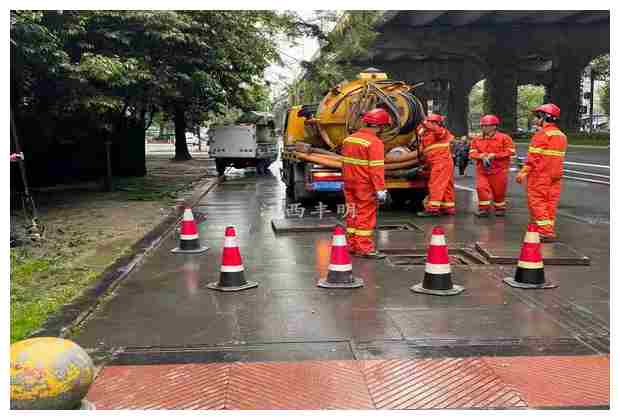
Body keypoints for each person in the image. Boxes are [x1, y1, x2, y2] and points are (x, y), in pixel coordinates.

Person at [341, 108, 390, 258]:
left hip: (349, 183)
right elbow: (376, 169)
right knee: (365, 216)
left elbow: (345, 163)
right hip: (364, 186)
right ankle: (364, 248)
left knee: (352, 212)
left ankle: (352, 244)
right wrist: (381, 189)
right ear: (380, 126)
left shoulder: (349, 139)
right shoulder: (374, 143)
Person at [516, 103, 567, 242]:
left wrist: (523, 172)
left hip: (540, 175)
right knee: (550, 203)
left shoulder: (542, 134)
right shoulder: (561, 135)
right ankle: (547, 228)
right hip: (555, 175)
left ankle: (545, 232)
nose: (535, 119)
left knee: (537, 202)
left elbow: (533, 158)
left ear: (545, 118)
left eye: (538, 116)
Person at [469, 115, 516, 217]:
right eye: (483, 126)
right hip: (482, 170)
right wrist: (480, 156)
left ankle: (500, 208)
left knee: (499, 191)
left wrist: (495, 155)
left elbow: (511, 151)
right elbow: (472, 153)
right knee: (481, 188)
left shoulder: (504, 138)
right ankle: (483, 210)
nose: (484, 128)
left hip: (499, 170)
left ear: (494, 126)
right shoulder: (476, 139)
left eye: (486, 126)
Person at [416, 113, 456, 217]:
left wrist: (430, 126)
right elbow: (426, 151)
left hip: (442, 162)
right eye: (428, 122)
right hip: (440, 163)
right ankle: (448, 208)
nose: (428, 124)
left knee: (435, 185)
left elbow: (439, 132)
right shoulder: (427, 135)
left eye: (431, 122)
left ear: (437, 123)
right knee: (446, 186)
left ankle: (432, 209)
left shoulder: (441, 131)